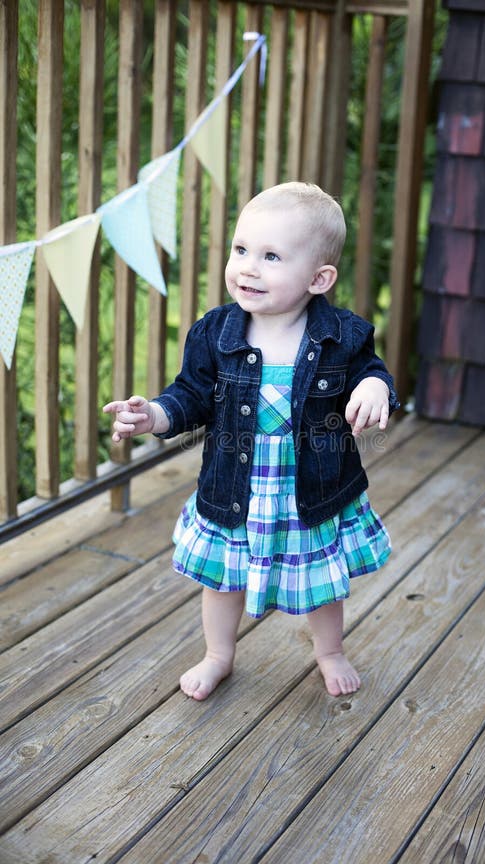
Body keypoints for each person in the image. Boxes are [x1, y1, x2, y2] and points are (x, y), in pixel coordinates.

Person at [103, 182, 400, 702]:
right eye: (241, 250)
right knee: (223, 578)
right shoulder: (216, 332)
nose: (248, 267)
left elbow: (370, 372)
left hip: (309, 487)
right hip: (236, 484)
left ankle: (329, 651)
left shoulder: (342, 335)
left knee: (320, 580)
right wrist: (151, 415)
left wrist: (375, 387)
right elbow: (190, 395)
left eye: (270, 256)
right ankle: (219, 654)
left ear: (318, 278)